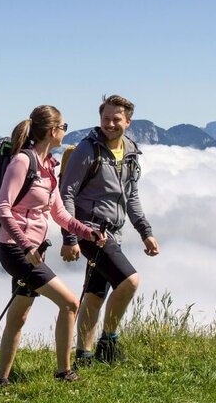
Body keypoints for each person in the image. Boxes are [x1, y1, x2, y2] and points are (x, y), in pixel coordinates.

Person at [0, 105, 107, 387]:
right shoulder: (22, 161)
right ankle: (64, 372)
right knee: (70, 303)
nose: (65, 132)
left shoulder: (48, 167)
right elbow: (2, 208)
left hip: (31, 252)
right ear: (53, 131)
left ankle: (1, 380)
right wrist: (26, 246)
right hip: (17, 251)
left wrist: (87, 232)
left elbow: (60, 215)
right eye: (64, 127)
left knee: (19, 316)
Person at [60, 94, 160, 365]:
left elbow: (131, 196)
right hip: (89, 231)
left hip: (113, 231)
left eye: (117, 119)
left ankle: (84, 356)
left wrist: (145, 231)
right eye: (106, 118)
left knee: (95, 294)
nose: (110, 124)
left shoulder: (129, 152)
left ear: (128, 121)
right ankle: (109, 342)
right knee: (129, 281)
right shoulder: (87, 150)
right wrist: (71, 236)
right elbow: (66, 193)